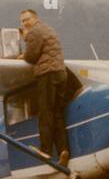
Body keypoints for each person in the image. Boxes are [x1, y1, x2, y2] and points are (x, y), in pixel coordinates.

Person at [15, 9, 70, 166]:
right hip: (61, 73)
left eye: (27, 20)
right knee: (58, 113)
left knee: (45, 112)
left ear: (35, 19)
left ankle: (45, 150)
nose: (25, 23)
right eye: (22, 21)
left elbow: (32, 56)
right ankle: (63, 150)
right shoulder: (49, 29)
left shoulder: (34, 32)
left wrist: (23, 50)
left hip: (47, 75)